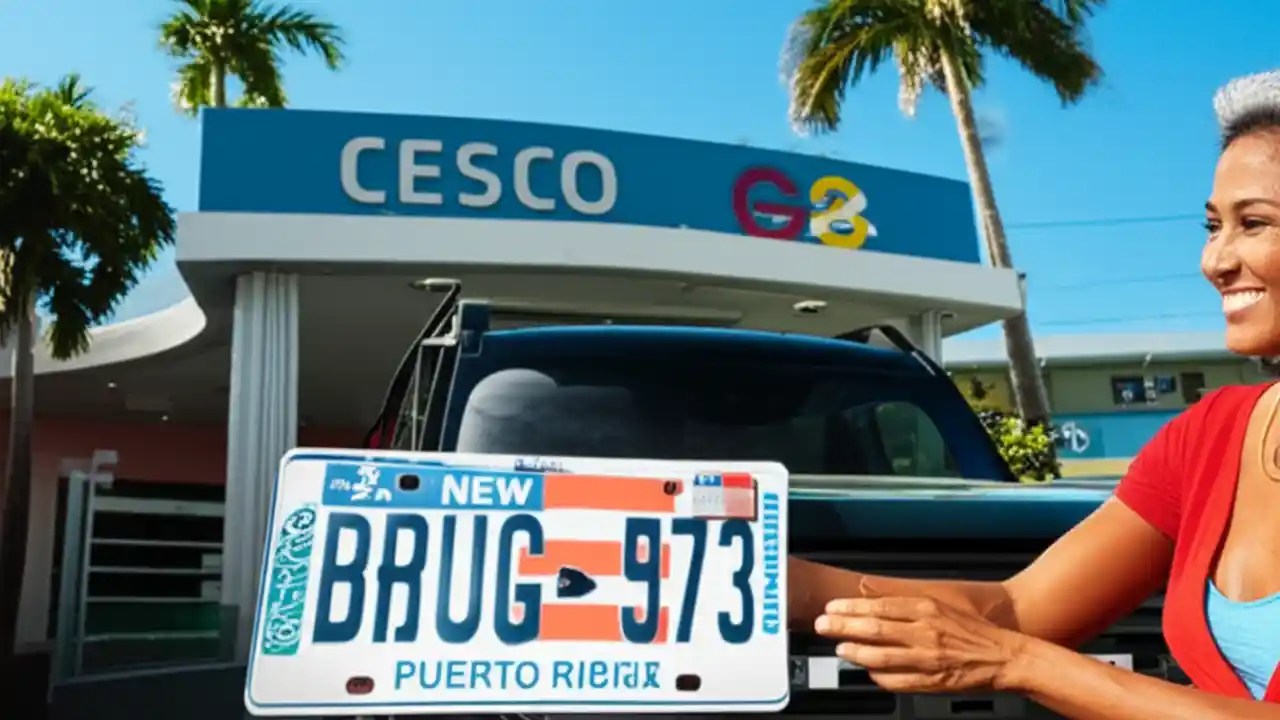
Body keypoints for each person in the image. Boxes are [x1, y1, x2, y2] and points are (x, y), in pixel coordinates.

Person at [790, 69, 1280, 718]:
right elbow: (1017, 608)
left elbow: (1010, 643)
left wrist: (1019, 664)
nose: (1215, 261)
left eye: (1254, 223)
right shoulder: (1209, 438)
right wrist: (768, 582)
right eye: (1213, 226)